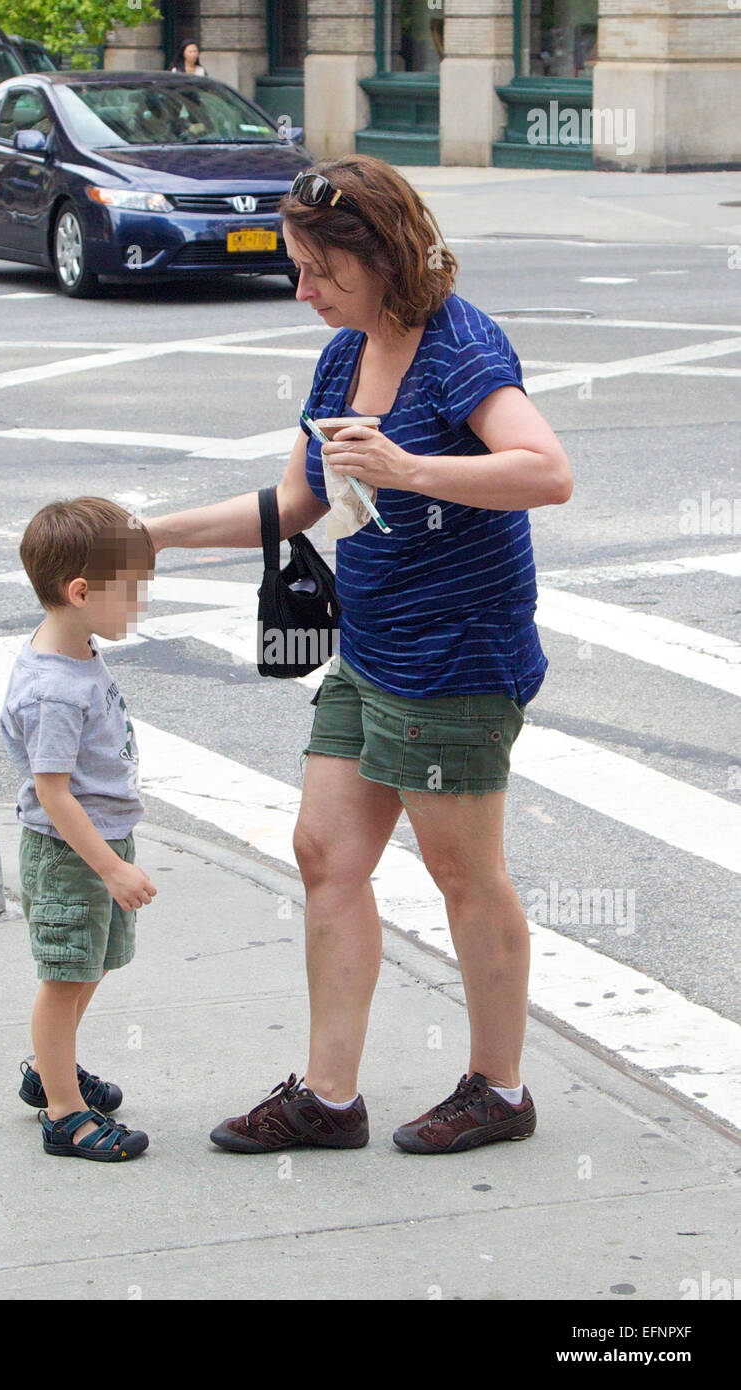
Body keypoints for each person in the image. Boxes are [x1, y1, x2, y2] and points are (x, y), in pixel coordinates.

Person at [144, 154, 573, 1157]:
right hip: (371, 645)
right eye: (295, 268)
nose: (301, 289)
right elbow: (300, 501)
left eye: (318, 271)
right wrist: (151, 535)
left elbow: (548, 471)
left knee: (463, 871)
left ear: (379, 256)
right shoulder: (342, 355)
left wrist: (407, 466)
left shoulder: (460, 347)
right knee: (325, 853)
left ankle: (498, 1087)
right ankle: (329, 1099)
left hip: (457, 652)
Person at [0, 498, 158, 1162]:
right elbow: (52, 792)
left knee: (88, 966)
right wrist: (110, 868)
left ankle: (49, 1067)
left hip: (94, 847)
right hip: (73, 854)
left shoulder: (76, 646)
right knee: (65, 977)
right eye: (133, 593)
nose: (141, 606)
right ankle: (63, 1111)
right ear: (81, 591)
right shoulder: (55, 690)